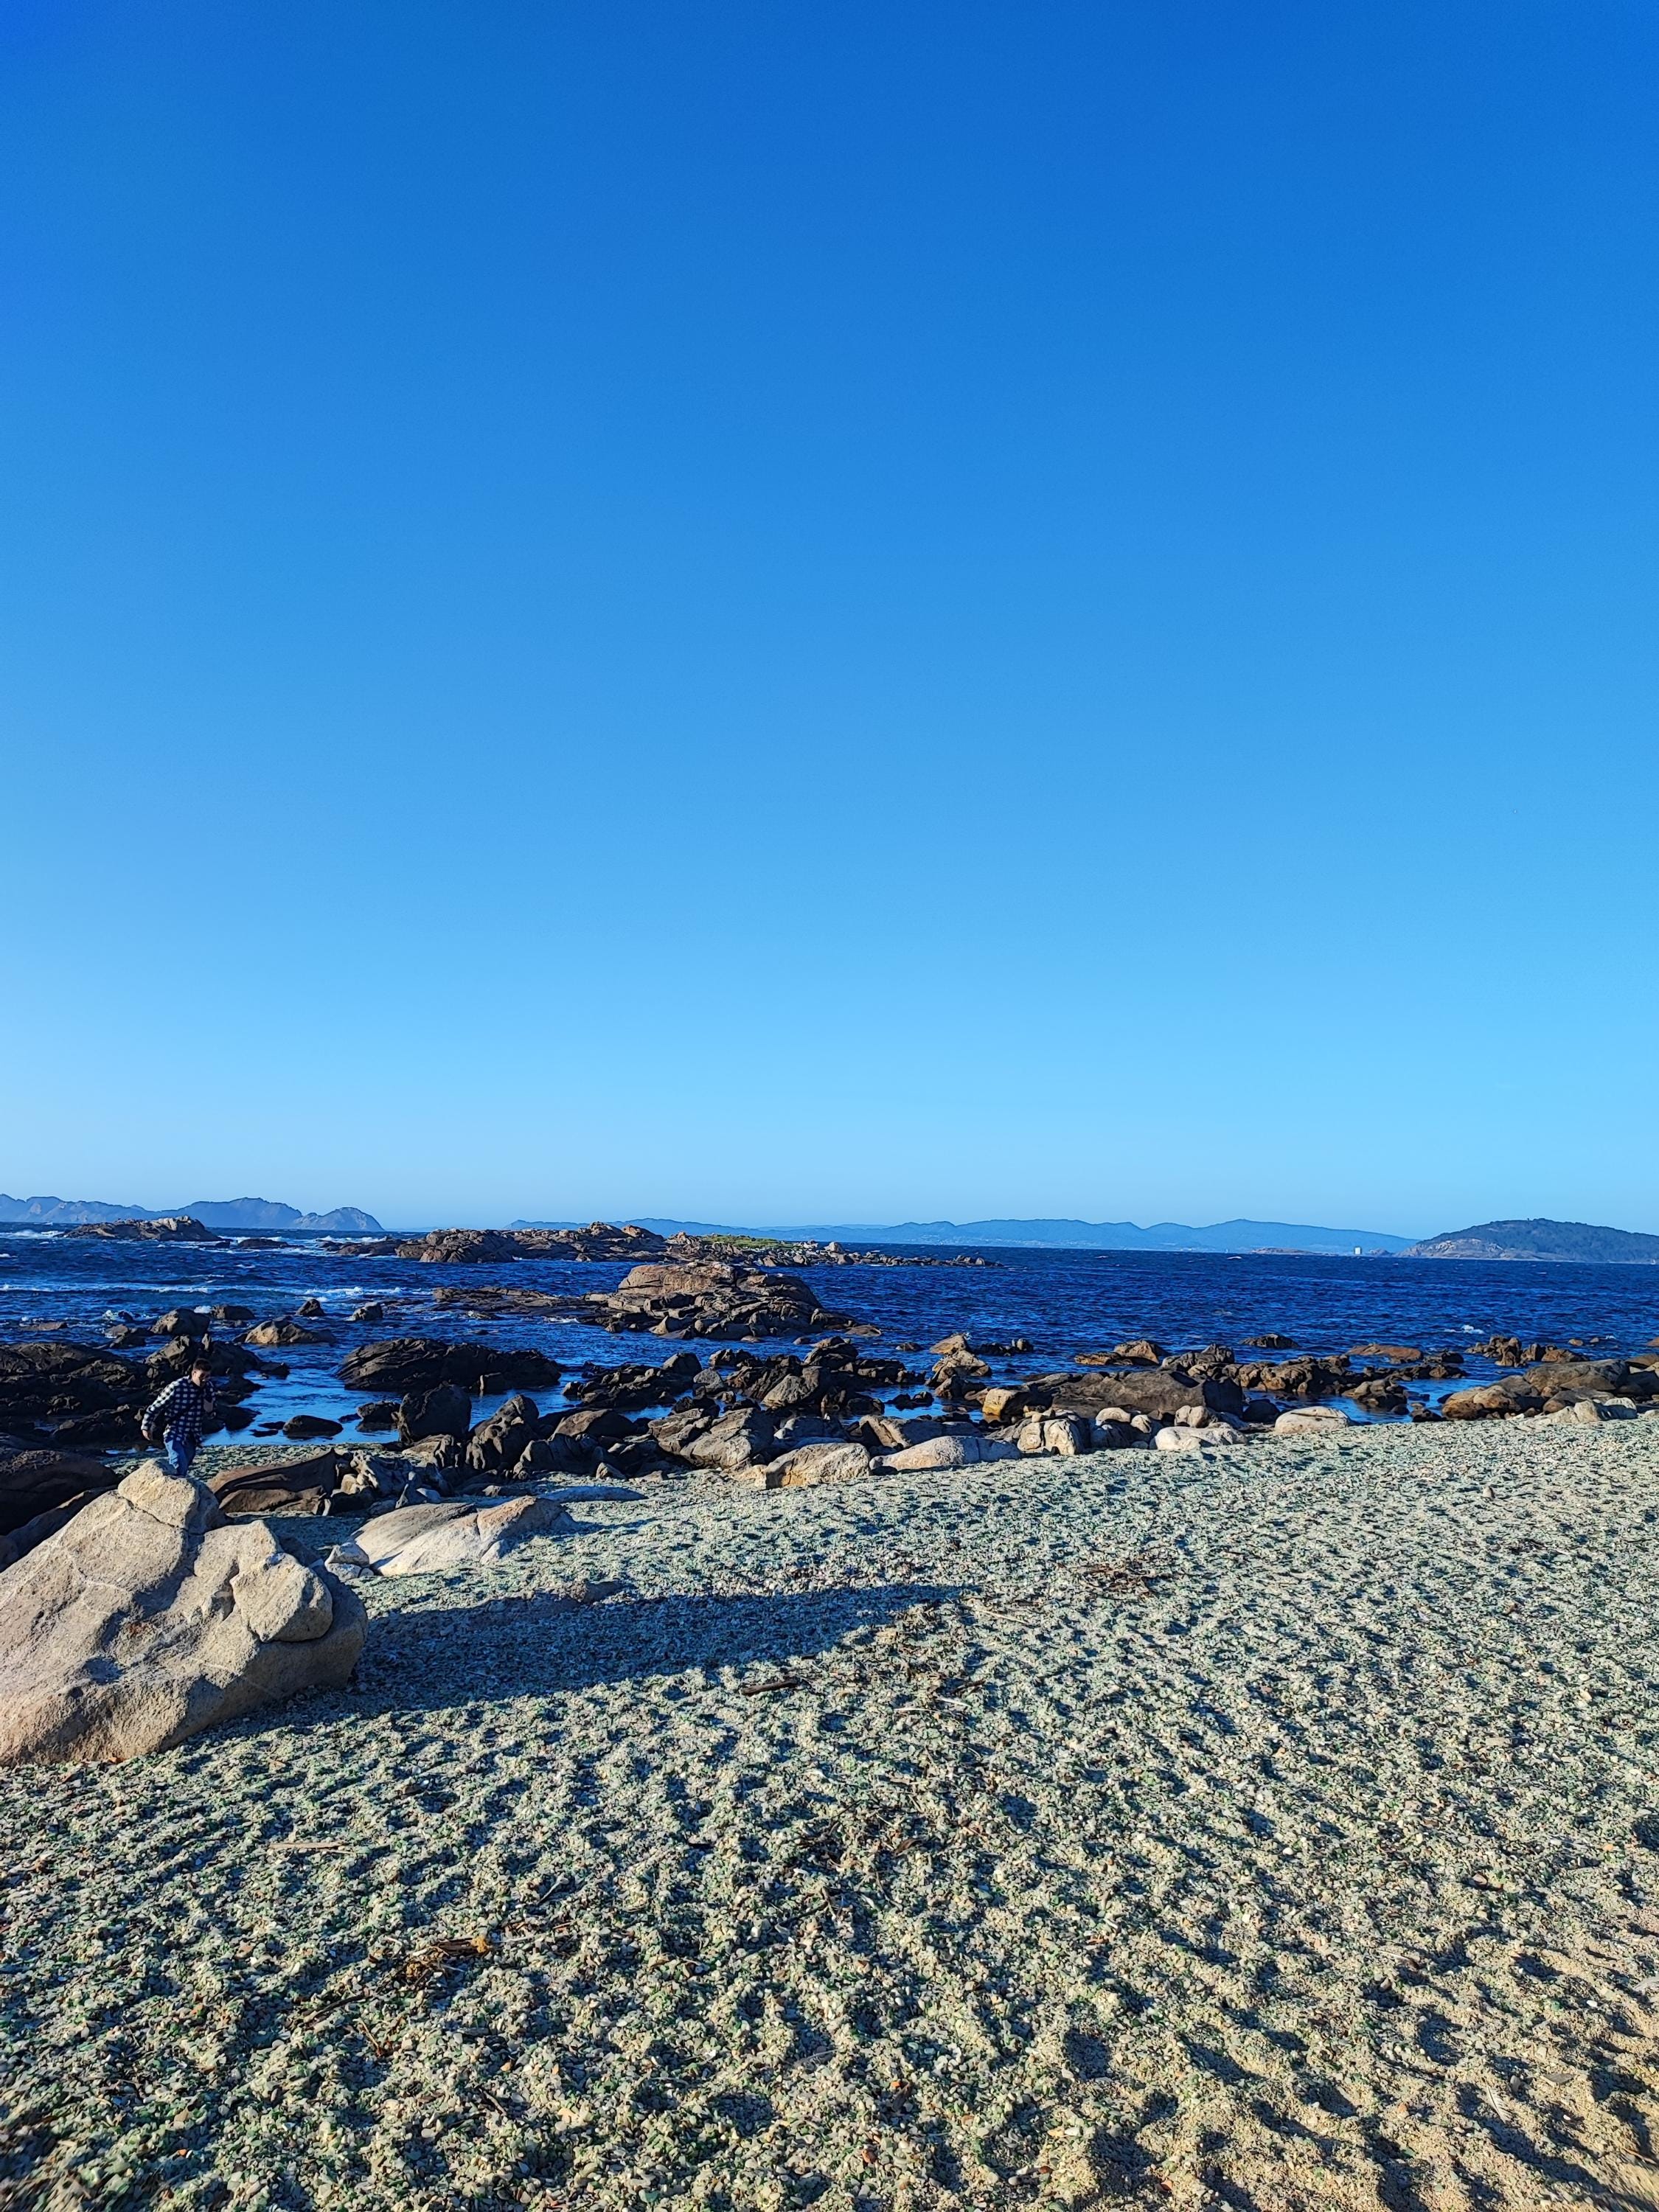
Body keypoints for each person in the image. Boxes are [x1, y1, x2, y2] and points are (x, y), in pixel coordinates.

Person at [142, 1352, 220, 1478]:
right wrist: (146, 1427)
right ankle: (175, 1490)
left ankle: (174, 1482)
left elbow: (211, 1413)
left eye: (208, 1376)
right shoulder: (177, 1387)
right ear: (194, 1373)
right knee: (178, 1462)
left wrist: (209, 1404)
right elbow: (156, 1407)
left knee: (185, 1463)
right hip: (174, 1431)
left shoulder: (208, 1388)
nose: (205, 1379)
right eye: (202, 1376)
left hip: (192, 1434)